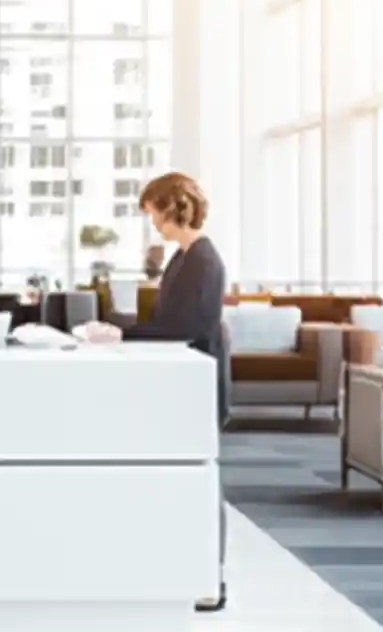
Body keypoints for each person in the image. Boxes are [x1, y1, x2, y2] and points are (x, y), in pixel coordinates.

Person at [81, 171, 230, 612]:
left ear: (172, 208)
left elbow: (185, 327)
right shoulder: (181, 258)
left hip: (199, 377)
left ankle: (211, 576)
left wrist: (121, 334)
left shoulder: (204, 259)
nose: (153, 223)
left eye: (154, 212)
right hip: (182, 376)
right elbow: (168, 319)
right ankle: (189, 568)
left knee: (203, 475)